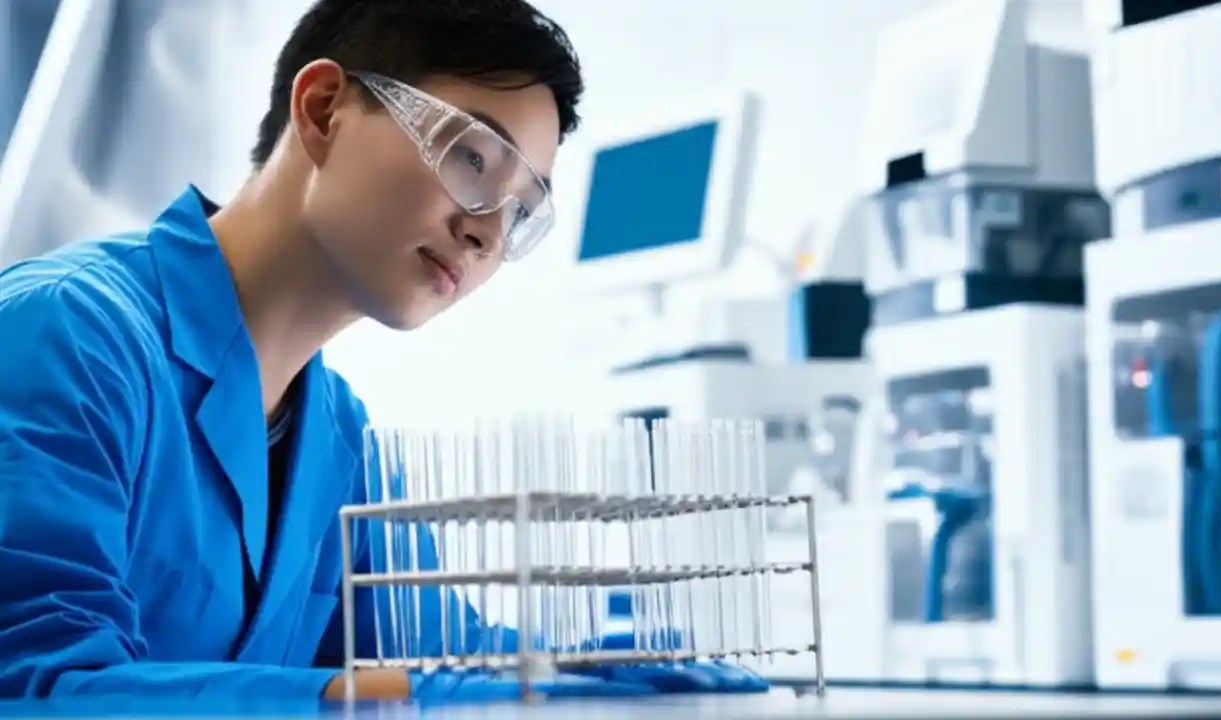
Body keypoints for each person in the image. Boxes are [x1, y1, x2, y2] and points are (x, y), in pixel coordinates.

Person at [0, 0, 765, 703]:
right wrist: (342, 697)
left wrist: (599, 672)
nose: (487, 234)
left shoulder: (336, 436)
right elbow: (36, 687)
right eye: (473, 159)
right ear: (324, 109)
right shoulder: (64, 335)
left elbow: (438, 653)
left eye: (519, 211)